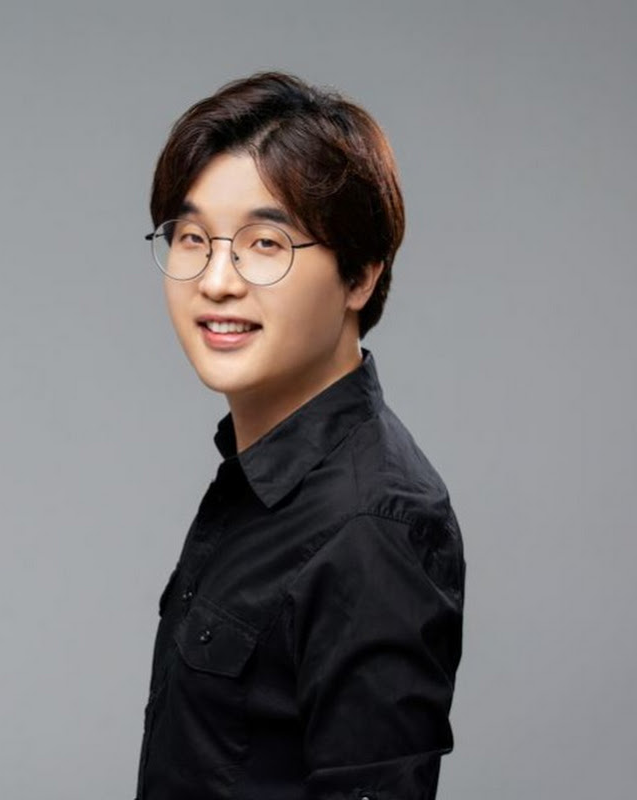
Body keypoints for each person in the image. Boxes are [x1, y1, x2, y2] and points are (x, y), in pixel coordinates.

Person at [135, 71, 465, 800]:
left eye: (264, 242)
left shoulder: (375, 525)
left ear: (360, 275)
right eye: (192, 238)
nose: (216, 280)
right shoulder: (257, 478)